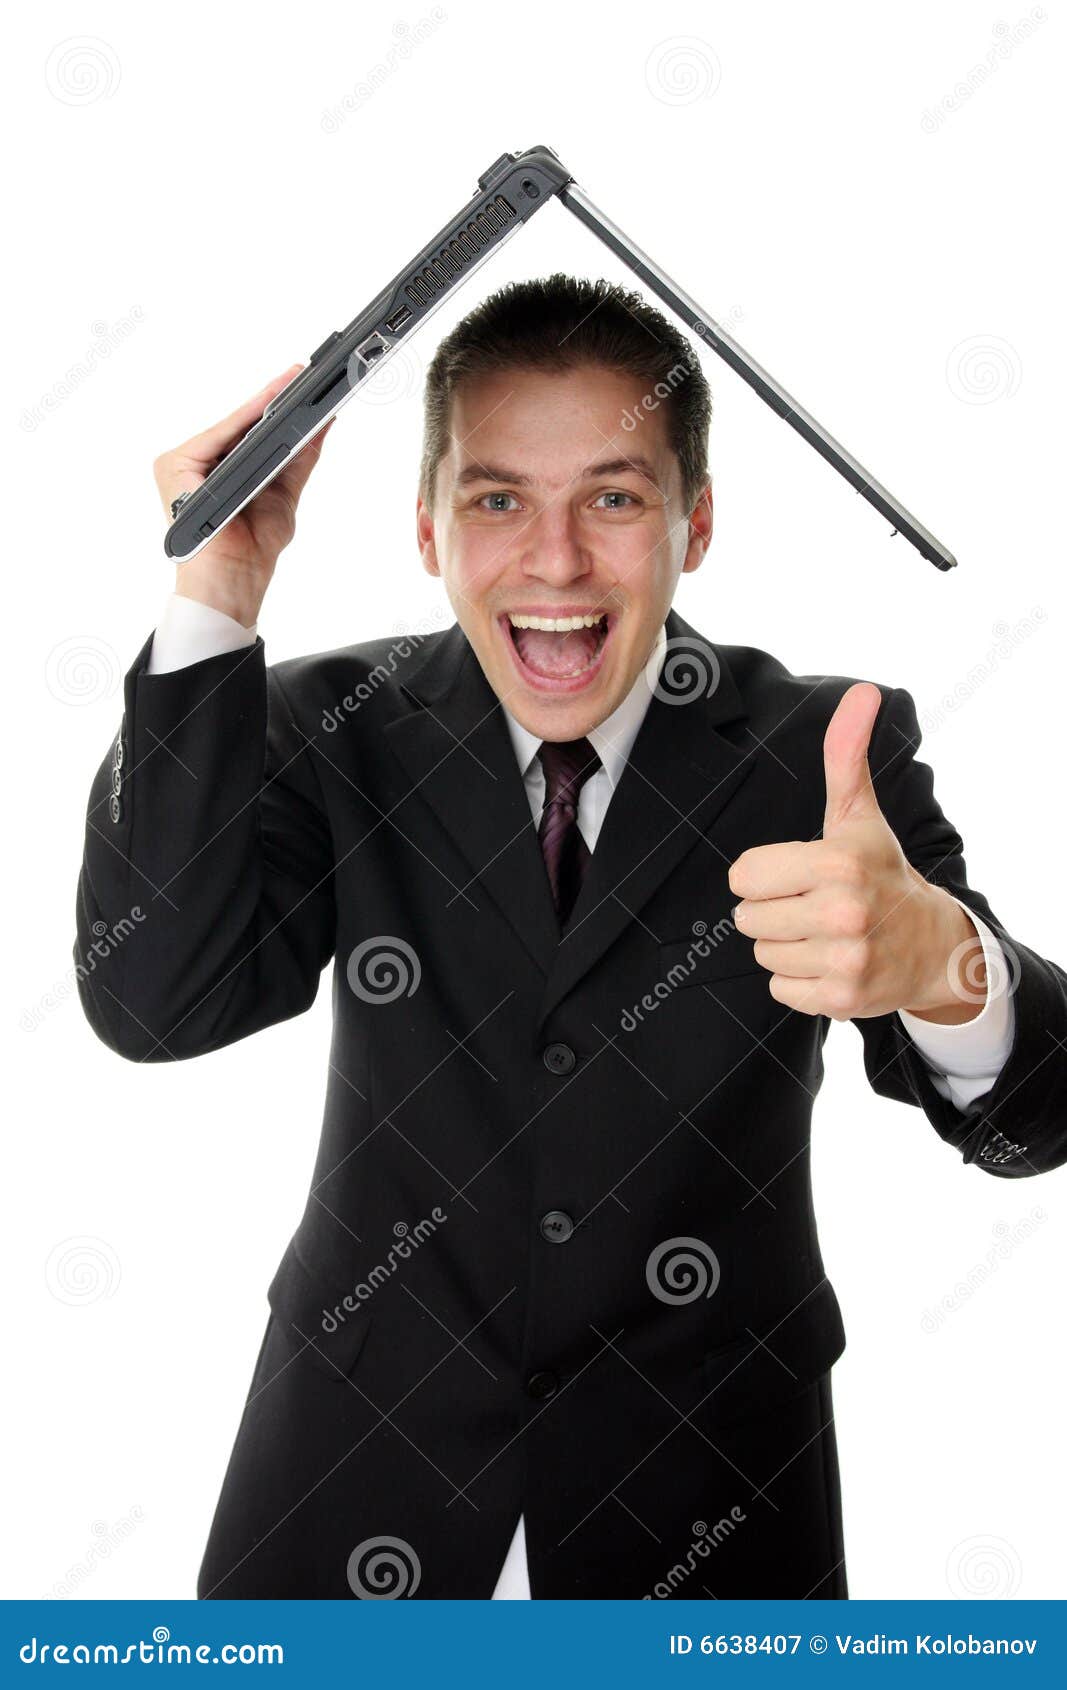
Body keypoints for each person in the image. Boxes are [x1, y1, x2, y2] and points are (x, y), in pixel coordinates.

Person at [73, 274, 1067, 1600]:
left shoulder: (820, 752)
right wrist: (219, 590)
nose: (552, 563)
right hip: (351, 1476)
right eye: (496, 499)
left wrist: (944, 965)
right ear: (427, 531)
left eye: (612, 496)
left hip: (714, 1509)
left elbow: (1037, 1118)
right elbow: (155, 1000)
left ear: (693, 523)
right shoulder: (333, 726)